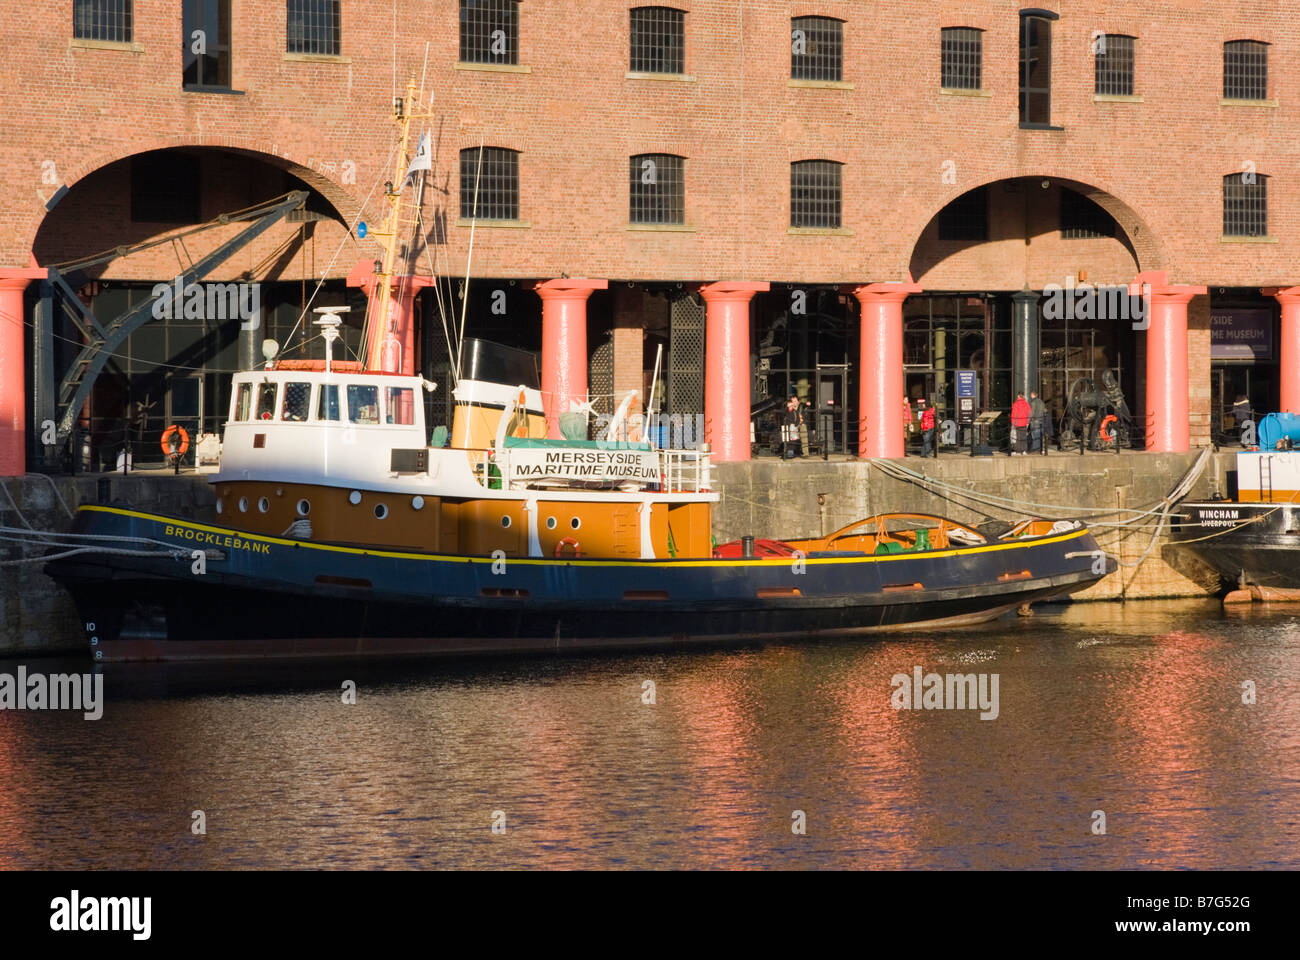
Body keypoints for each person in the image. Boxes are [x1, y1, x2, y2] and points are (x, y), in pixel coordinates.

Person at [1010, 391, 1031, 456]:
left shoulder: (1015, 404)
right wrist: (1028, 422)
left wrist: (1013, 424)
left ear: (1018, 396)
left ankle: (1017, 450)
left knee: (1017, 437)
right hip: (1024, 423)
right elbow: (1030, 413)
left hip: (1017, 423)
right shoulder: (1026, 404)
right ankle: (1024, 450)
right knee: (1024, 437)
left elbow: (1014, 415)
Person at [1029, 390, 1047, 454]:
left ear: (1033, 395)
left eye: (1031, 394)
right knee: (1040, 435)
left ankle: (1036, 450)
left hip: (1035, 420)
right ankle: (1040, 449)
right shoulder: (1041, 402)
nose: (1030, 396)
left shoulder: (1033, 402)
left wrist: (1028, 421)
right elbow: (1045, 411)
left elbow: (1032, 412)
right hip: (1041, 420)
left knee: (1035, 436)